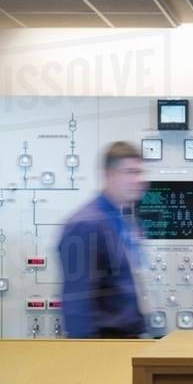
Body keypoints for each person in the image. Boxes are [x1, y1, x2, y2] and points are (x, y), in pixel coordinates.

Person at [58, 141, 150, 338]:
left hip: (126, 339)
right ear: (109, 175)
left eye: (141, 172)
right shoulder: (85, 224)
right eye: (131, 172)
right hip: (105, 346)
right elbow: (77, 305)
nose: (140, 180)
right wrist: (90, 360)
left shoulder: (121, 220)